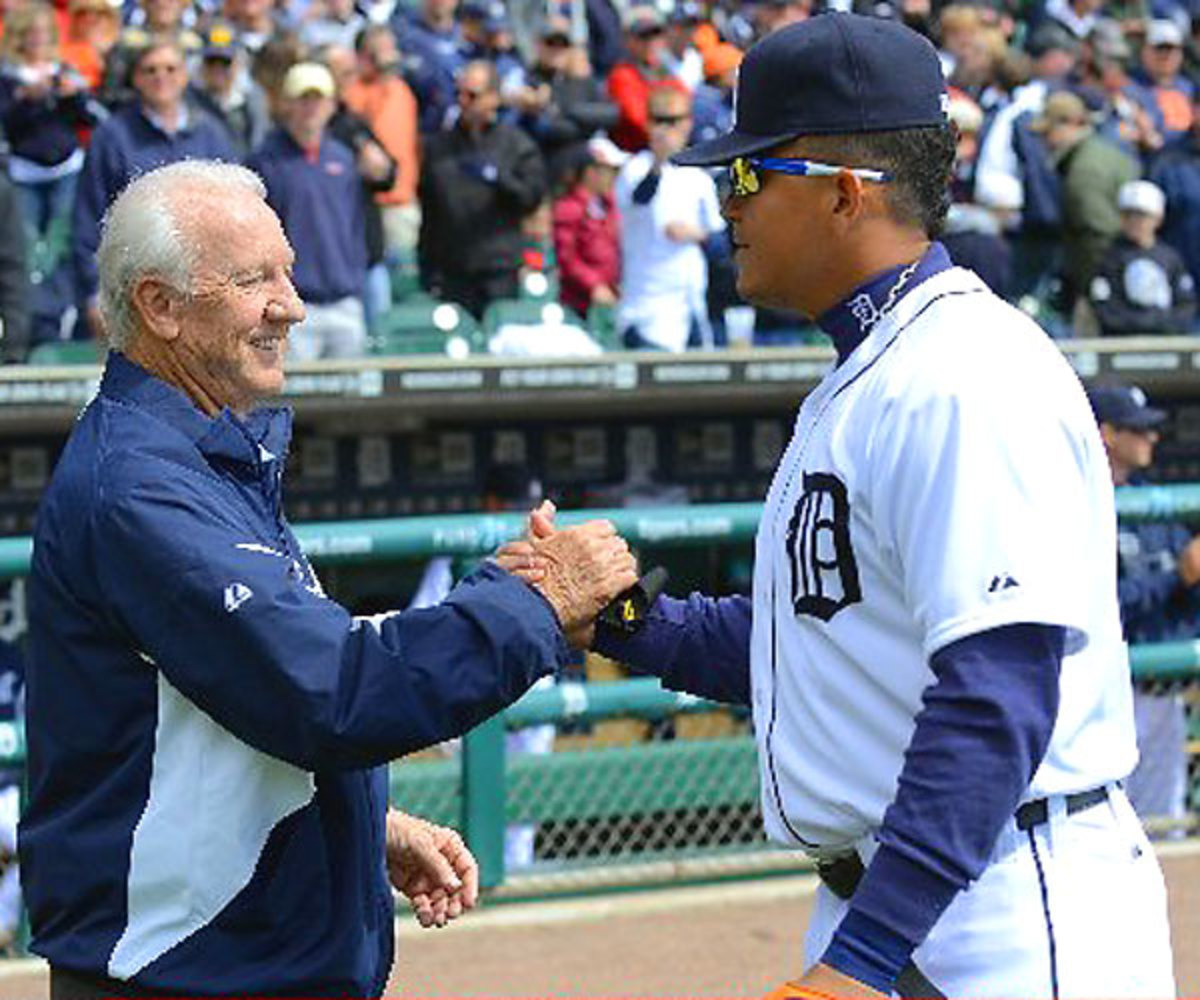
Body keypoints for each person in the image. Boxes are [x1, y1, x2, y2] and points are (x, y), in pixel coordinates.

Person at [504, 14, 1174, 997]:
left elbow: (998, 695)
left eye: (748, 173)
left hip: (1004, 902)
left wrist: (862, 960)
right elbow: (816, 648)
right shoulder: (880, 367)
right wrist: (619, 619)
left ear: (845, 192)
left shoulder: (963, 375)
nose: (725, 199)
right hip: (909, 893)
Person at [20, 159, 637, 1000]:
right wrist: (535, 601)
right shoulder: (140, 486)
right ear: (160, 306)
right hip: (184, 977)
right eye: (254, 280)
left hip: (225, 965)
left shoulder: (202, 457)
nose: (293, 305)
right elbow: (334, 692)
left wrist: (350, 821)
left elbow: (228, 708)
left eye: (288, 272)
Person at [73, 34, 237, 339]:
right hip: (133, 292)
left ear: (185, 75)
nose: (161, 77)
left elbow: (235, 212)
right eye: (150, 70)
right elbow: (89, 217)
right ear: (136, 78)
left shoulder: (212, 133)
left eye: (171, 69)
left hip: (205, 289)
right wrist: (95, 294)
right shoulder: (112, 136)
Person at [1088, 381, 1194, 838]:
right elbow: (1099, 602)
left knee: (1164, 829)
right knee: (1104, 829)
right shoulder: (1077, 501)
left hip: (1161, 692)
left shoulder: (1156, 501)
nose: (1151, 437)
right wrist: (1176, 577)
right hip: (1105, 692)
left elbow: (1183, 588)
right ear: (1107, 434)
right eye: (1138, 429)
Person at [247, 61, 373, 360]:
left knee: (352, 389)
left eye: (319, 99)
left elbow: (356, 225)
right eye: (303, 98)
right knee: (294, 387)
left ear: (332, 105)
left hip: (345, 301)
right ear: (287, 103)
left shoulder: (343, 158)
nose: (312, 107)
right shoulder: (265, 161)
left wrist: (355, 277)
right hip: (292, 304)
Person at [418, 59, 546, 318]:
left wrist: (499, 179)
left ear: (493, 98)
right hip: (452, 271)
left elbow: (530, 199)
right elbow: (430, 210)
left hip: (498, 269)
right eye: (459, 94)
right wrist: (427, 266)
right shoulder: (438, 147)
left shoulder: (516, 144)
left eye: (472, 95)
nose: (463, 101)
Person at [614, 83, 724, 350]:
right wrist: (658, 162)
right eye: (658, 120)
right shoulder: (634, 168)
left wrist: (696, 234)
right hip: (647, 306)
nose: (666, 129)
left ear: (687, 123)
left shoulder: (698, 175)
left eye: (673, 120)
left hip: (691, 303)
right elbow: (639, 198)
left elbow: (720, 241)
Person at [1089, 178, 1195, 334]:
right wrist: (1138, 323)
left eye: (1141, 215)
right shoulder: (1109, 258)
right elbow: (1105, 307)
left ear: (1158, 219)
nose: (1134, 221)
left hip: (1166, 340)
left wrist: (1162, 324)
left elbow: (1185, 304)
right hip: (1124, 342)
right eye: (1128, 215)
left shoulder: (1170, 258)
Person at [552, 135, 624, 318]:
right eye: (610, 171)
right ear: (591, 172)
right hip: (578, 305)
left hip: (612, 297)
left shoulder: (611, 206)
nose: (614, 177)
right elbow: (566, 257)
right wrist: (594, 285)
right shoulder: (568, 209)